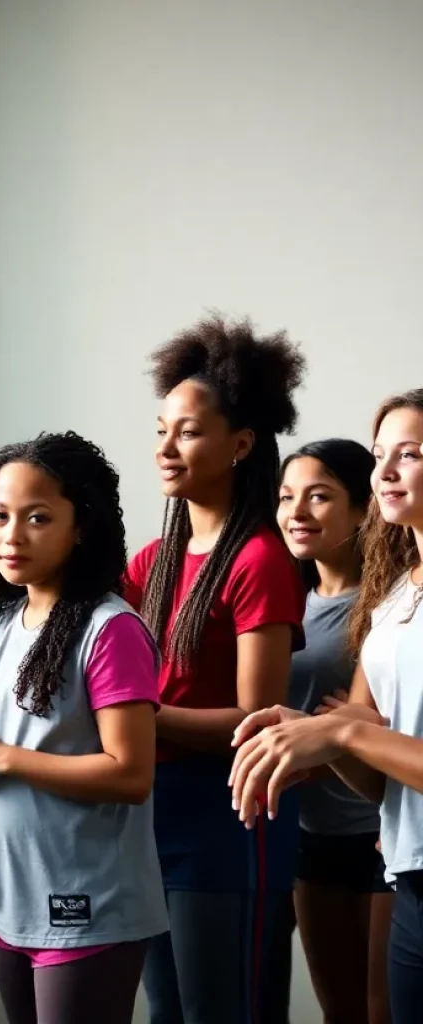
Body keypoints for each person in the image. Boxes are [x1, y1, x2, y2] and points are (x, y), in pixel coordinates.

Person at [0, 431, 168, 1024]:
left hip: (90, 907)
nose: (11, 535)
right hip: (13, 901)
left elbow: (130, 774)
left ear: (80, 526)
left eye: (37, 517)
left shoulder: (111, 630)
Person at [122, 314, 308, 1023]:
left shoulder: (260, 560)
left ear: (240, 444)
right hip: (148, 817)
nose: (167, 446)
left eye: (189, 431)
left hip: (226, 822)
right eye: (162, 427)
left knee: (217, 1013)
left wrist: (140, 720)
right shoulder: (151, 560)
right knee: (169, 1013)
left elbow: (256, 722)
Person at [230, 389, 423, 1024]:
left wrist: (341, 735)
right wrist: (317, 732)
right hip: (399, 862)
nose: (388, 471)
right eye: (380, 455)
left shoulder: (376, 602)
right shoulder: (394, 602)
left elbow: (357, 737)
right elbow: (375, 778)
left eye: (411, 455)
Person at [277, 440, 393, 1023]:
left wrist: (354, 724)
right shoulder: (282, 601)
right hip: (308, 831)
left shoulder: (389, 607)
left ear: (363, 507)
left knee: (382, 1011)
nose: (297, 512)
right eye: (287, 497)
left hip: (379, 831)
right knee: (339, 1010)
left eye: (319, 496)